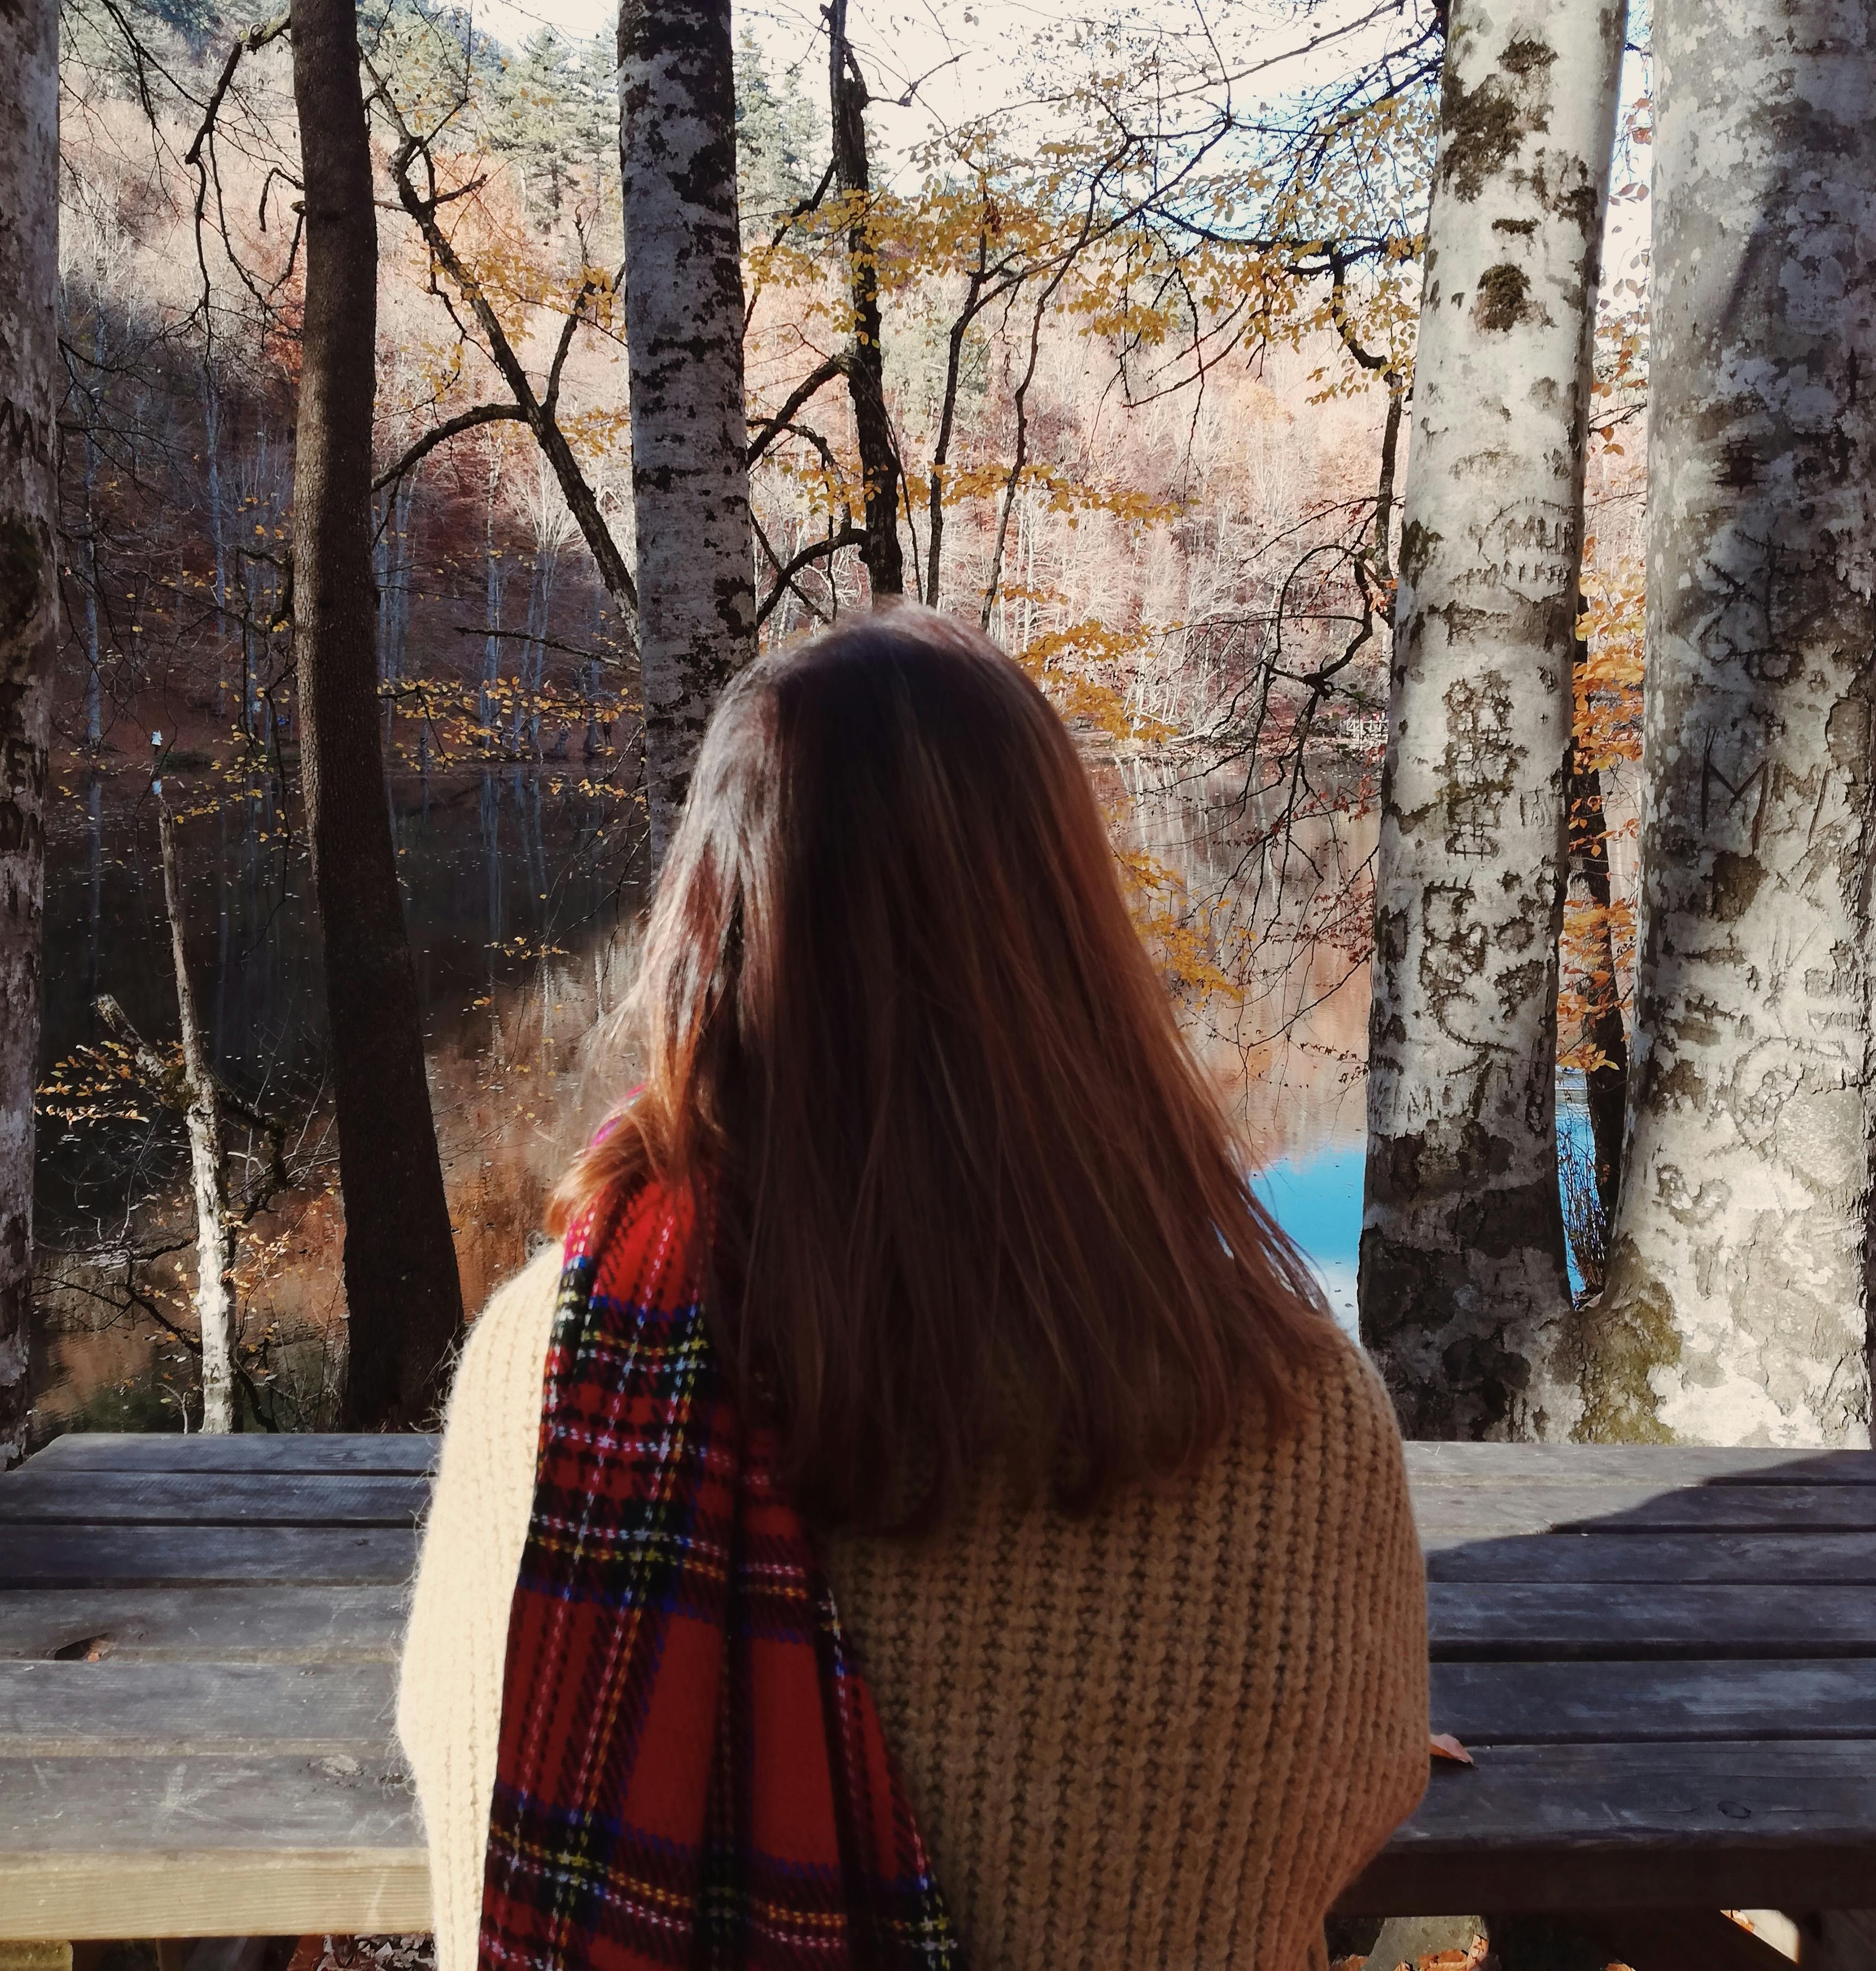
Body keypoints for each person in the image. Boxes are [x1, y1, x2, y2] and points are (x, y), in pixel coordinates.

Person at [398, 605, 1427, 1971]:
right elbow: (1362, 1796)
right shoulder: (1288, 1406)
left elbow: (462, 1755)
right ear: (1070, 935)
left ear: (706, 925)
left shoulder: (562, 1364)